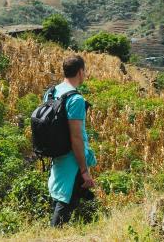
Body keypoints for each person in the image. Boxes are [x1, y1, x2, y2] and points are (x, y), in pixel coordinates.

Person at [48, 54, 97, 226]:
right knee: (67, 200)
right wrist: (84, 170)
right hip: (72, 158)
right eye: (85, 70)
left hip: (56, 153)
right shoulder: (75, 99)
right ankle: (54, 234)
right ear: (80, 72)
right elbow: (76, 137)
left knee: (60, 194)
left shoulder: (52, 92)